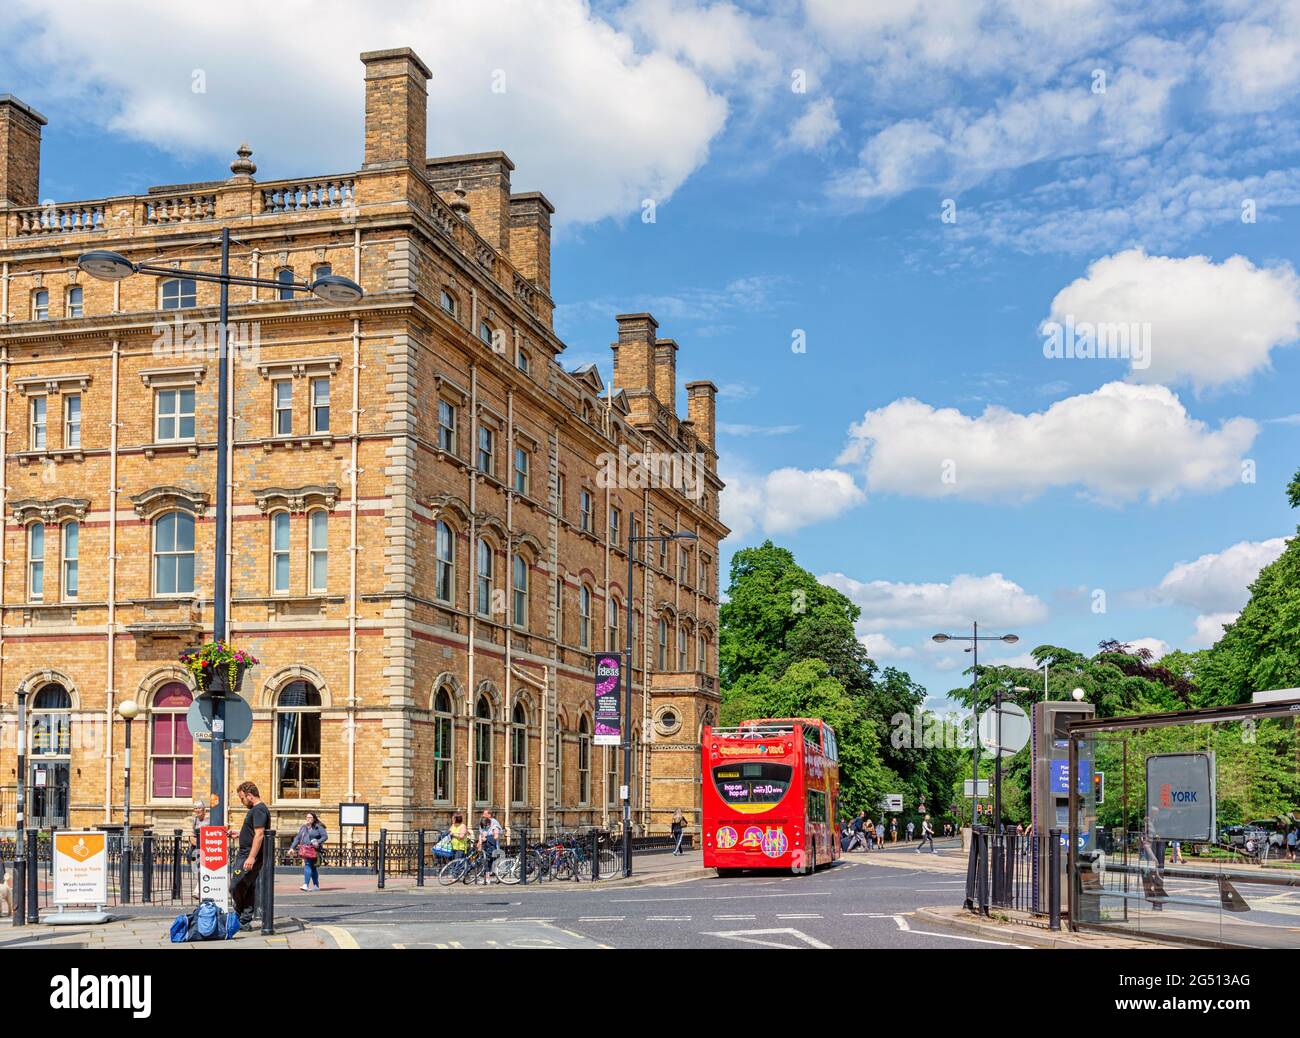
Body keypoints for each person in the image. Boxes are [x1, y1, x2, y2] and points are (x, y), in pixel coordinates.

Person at [231, 781, 269, 926]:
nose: (242, 802)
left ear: (249, 795)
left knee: (235, 885)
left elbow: (259, 834)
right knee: (246, 885)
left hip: (248, 855)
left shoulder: (259, 810)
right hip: (245, 853)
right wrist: (240, 834)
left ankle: (241, 914)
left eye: (242, 798)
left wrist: (252, 857)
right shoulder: (255, 809)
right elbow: (253, 832)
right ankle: (244, 919)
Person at [290, 811, 327, 891]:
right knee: (311, 866)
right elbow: (298, 838)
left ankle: (306, 885)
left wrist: (318, 842)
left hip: (315, 850)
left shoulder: (318, 827)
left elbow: (325, 836)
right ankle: (316, 886)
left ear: (314, 819)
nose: (308, 819)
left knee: (309, 865)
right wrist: (292, 847)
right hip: (306, 849)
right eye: (307, 817)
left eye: (310, 817)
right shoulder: (303, 827)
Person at [477, 809, 503, 883]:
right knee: (487, 861)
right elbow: (481, 832)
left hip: (493, 845)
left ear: (489, 815)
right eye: (483, 813)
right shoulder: (483, 821)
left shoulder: (494, 822)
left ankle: (498, 877)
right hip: (486, 845)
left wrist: (487, 838)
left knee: (494, 861)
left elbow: (496, 835)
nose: (483, 815)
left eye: (485, 814)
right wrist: (480, 842)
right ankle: (487, 878)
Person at [190, 801, 208, 900]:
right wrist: (195, 842)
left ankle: (198, 890)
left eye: (199, 808)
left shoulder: (210, 819)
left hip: (207, 848)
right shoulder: (195, 820)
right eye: (195, 808)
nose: (197, 810)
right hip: (198, 848)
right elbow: (192, 834)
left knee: (203, 868)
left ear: (204, 809)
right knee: (198, 868)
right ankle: (200, 889)